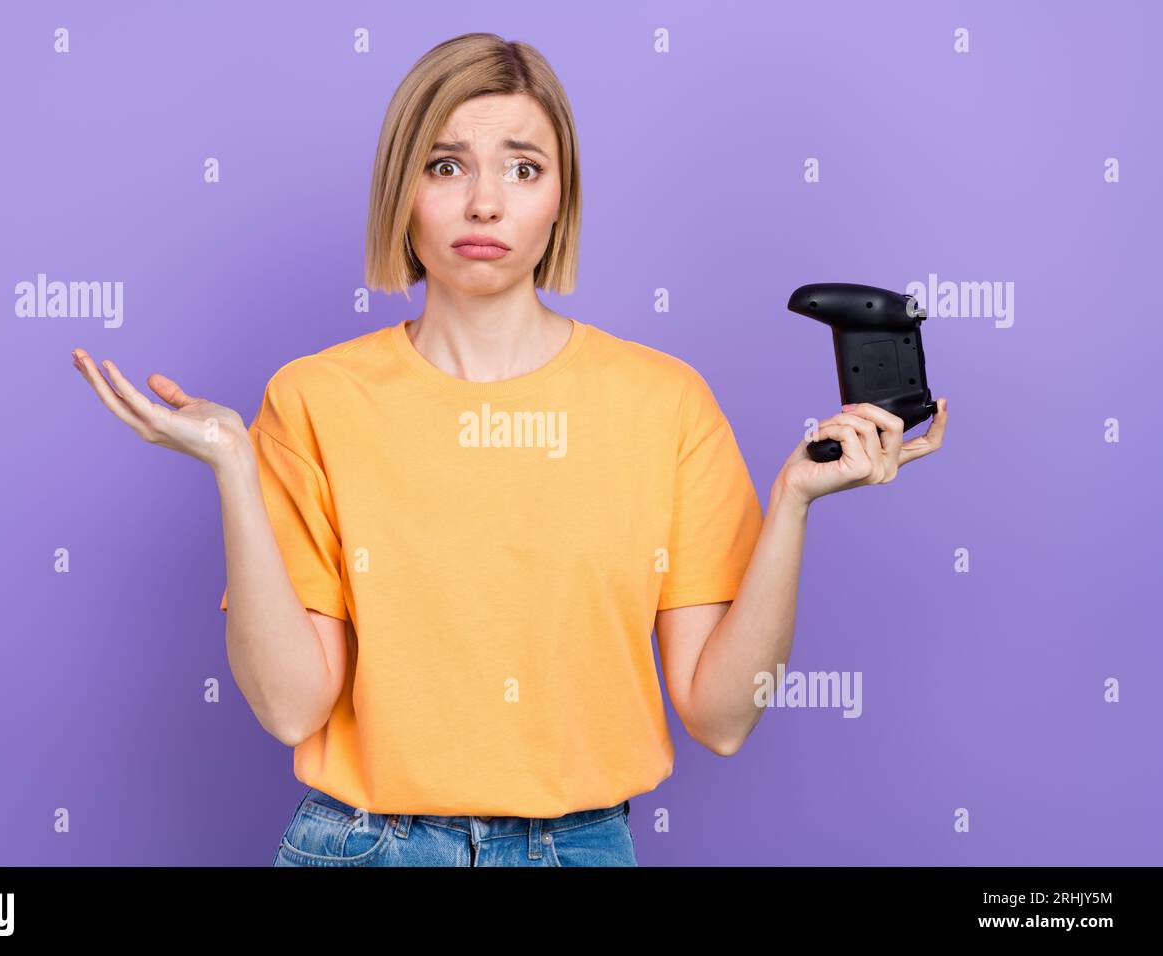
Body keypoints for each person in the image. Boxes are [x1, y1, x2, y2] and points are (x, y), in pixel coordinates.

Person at [70, 33, 947, 867]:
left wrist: (792, 502)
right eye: (445, 165)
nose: (484, 201)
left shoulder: (665, 403)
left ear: (559, 196)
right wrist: (234, 464)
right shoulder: (312, 400)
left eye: (522, 168)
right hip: (362, 844)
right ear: (399, 191)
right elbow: (292, 705)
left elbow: (721, 718)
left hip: (582, 845)